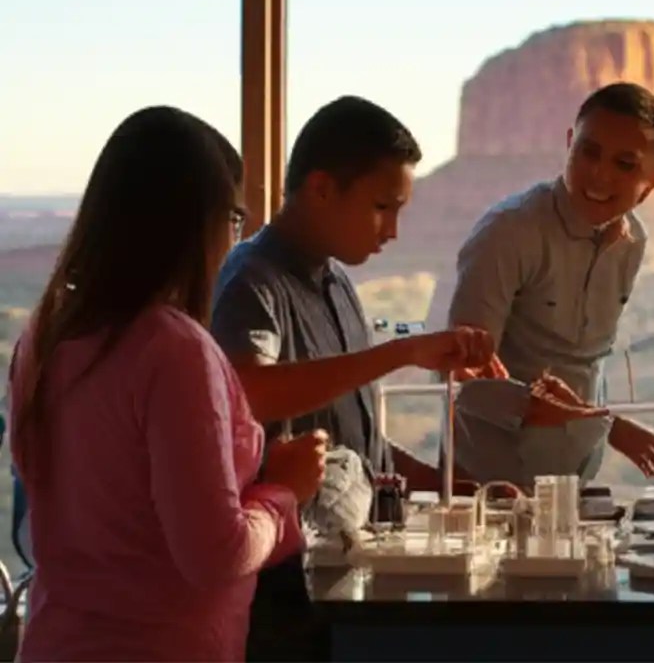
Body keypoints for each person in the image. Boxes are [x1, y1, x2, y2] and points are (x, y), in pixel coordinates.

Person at [7, 106, 327, 661]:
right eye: (233, 219)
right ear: (192, 221)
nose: (235, 238)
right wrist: (283, 493)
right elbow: (215, 553)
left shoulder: (47, 334)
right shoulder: (173, 349)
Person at [210, 95, 493, 660]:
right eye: (382, 207)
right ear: (321, 188)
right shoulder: (252, 281)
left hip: (344, 586)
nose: (392, 229)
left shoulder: (339, 285)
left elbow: (355, 442)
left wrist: (455, 489)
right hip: (282, 599)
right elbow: (249, 394)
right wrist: (403, 352)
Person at [447, 82, 654, 487]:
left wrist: (594, 426)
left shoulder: (633, 243)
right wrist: (605, 423)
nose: (600, 175)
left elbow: (588, 361)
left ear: (652, 182)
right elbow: (463, 371)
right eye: (589, 152)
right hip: (490, 488)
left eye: (625, 164)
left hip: (574, 486)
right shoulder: (510, 231)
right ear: (570, 143)